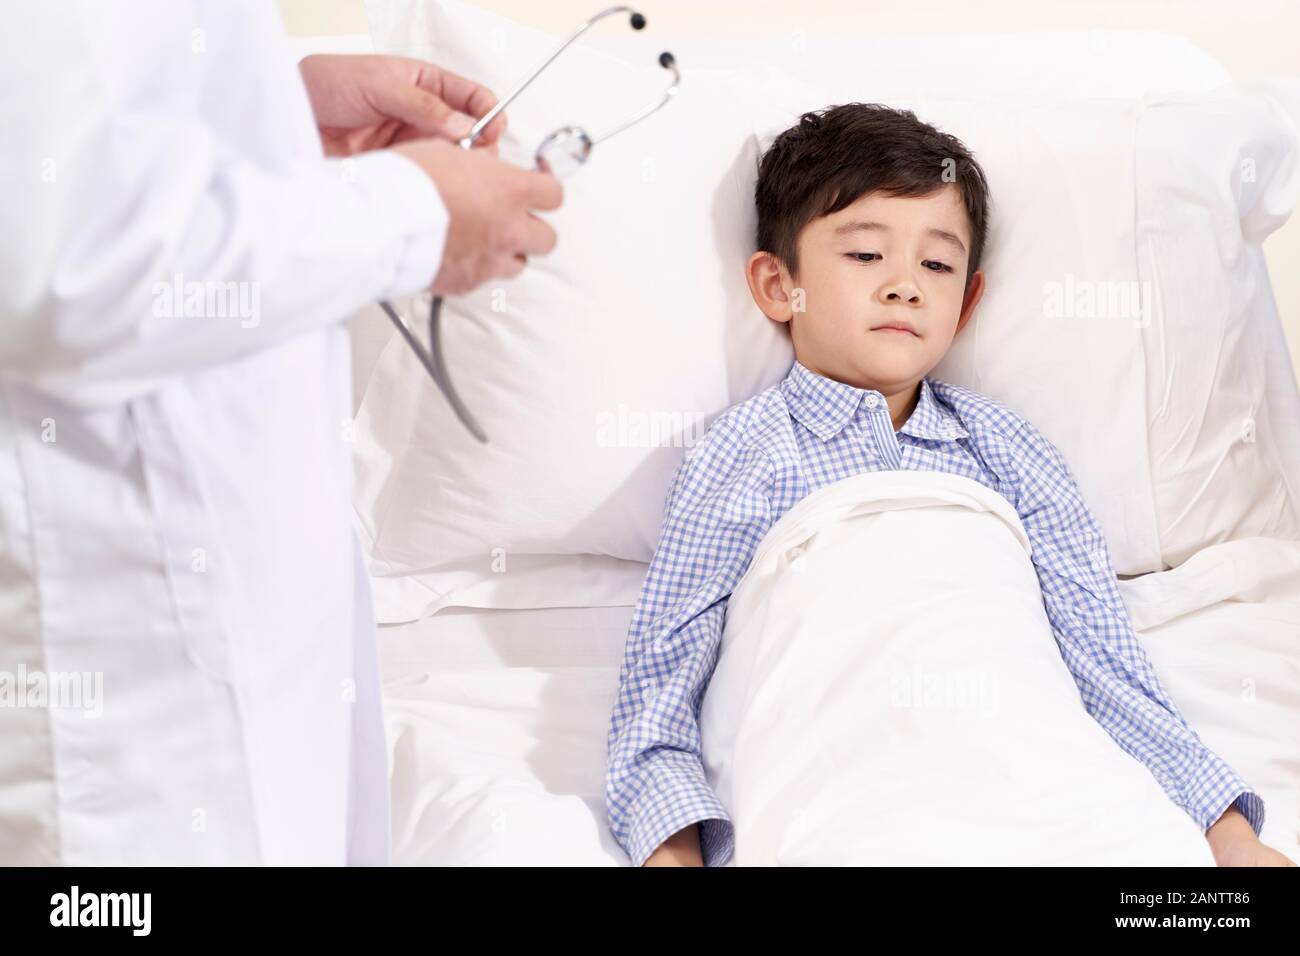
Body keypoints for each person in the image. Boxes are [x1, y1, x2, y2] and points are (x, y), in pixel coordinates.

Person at [604, 102, 1295, 868]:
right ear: (777, 286)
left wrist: (1229, 836)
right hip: (841, 784)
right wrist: (673, 855)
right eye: (865, 256)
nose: (905, 286)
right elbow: (659, 692)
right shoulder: (738, 454)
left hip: (1038, 778)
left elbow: (1104, 663)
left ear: (966, 304)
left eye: (936, 265)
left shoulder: (1008, 449)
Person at [0, 0, 560, 864]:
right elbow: (66, 262)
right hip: (136, 670)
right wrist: (409, 211)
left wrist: (274, 119)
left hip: (231, 596)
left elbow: (83, 128)